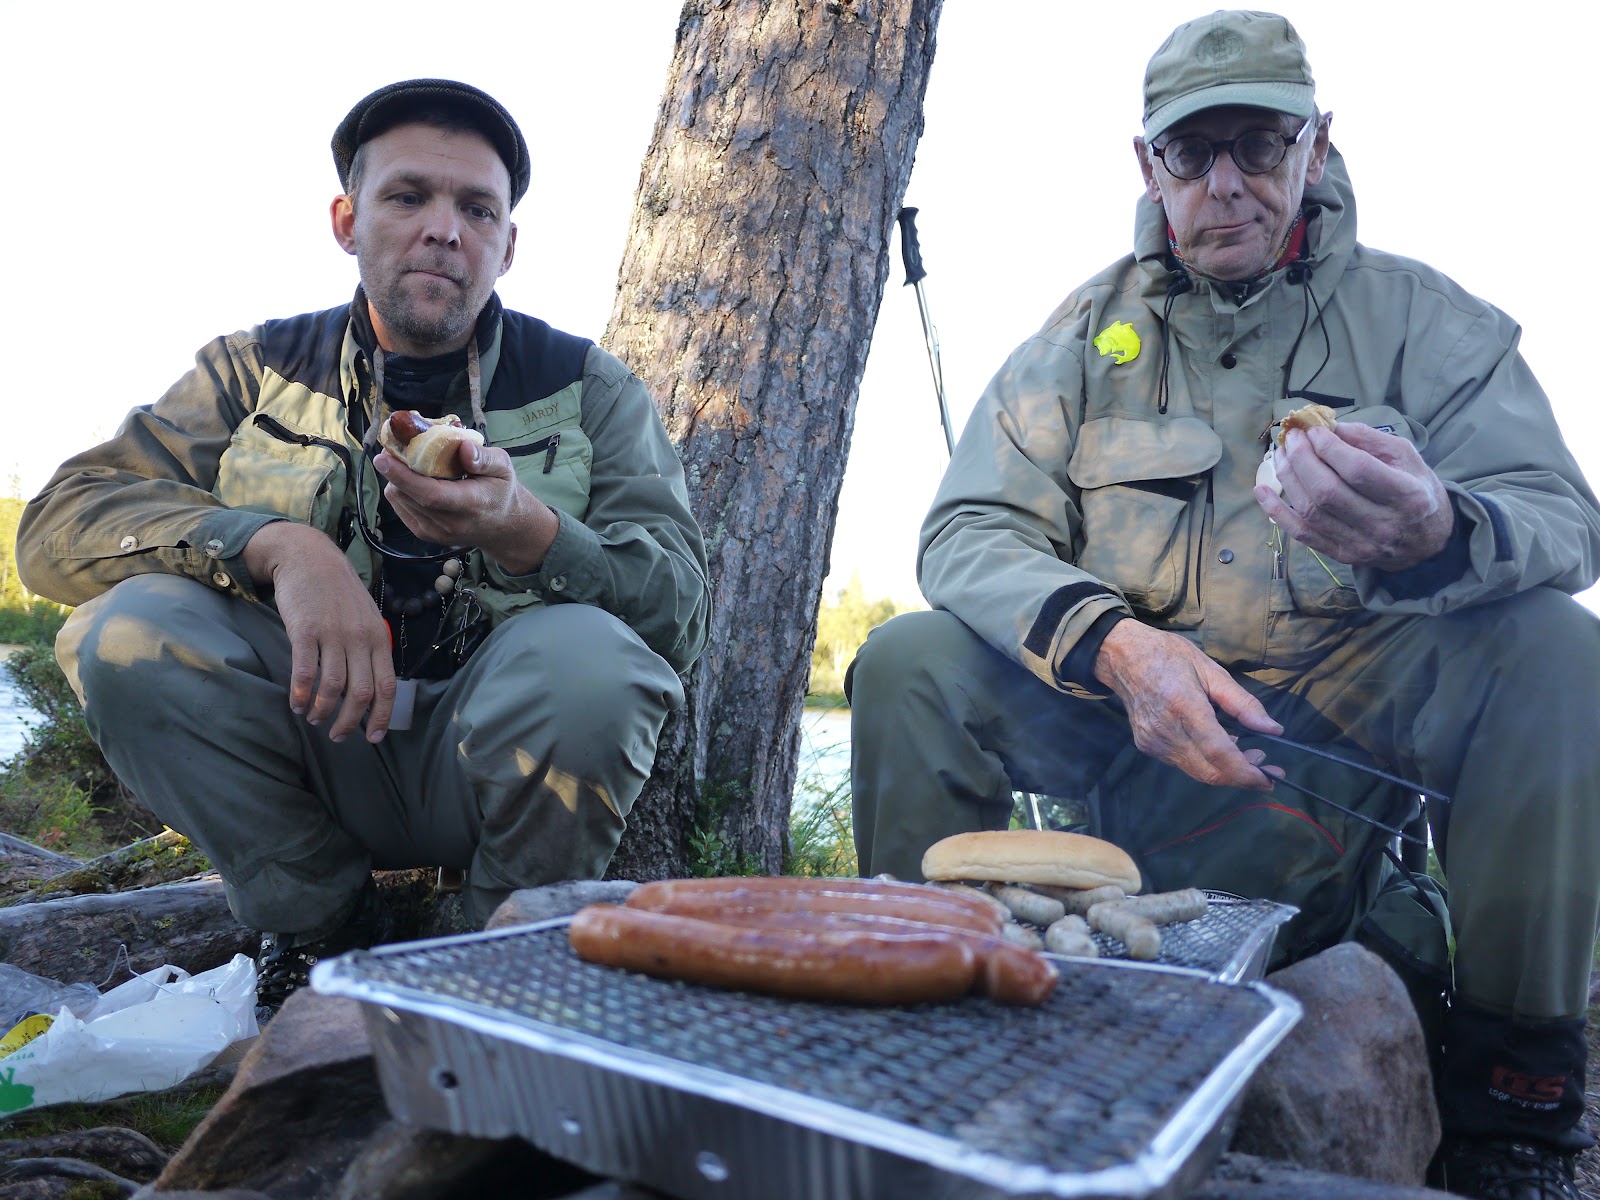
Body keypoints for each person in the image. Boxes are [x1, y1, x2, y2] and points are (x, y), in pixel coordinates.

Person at [847, 12, 1600, 1199]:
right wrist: (1115, 647)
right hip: (1131, 714)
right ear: (1146, 166)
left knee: (1559, 647)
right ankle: (924, 1011)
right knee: (905, 659)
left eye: (1258, 144)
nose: (1227, 184)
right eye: (1192, 154)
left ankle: (1516, 1095)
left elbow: (1561, 515)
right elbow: (968, 531)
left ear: (1316, 143)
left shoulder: (1426, 323)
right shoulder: (1076, 342)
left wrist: (1437, 529)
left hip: (1356, 716)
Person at [17, 79, 709, 1011]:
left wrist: (528, 533)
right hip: (312, 746)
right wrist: (278, 547)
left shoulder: (590, 387)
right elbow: (61, 523)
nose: (443, 229)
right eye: (407, 196)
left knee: (596, 664)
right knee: (123, 634)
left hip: (484, 765)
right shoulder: (252, 369)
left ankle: (494, 958)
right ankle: (314, 928)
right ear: (347, 220)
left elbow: (681, 614)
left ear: (508, 244)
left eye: (477, 208)